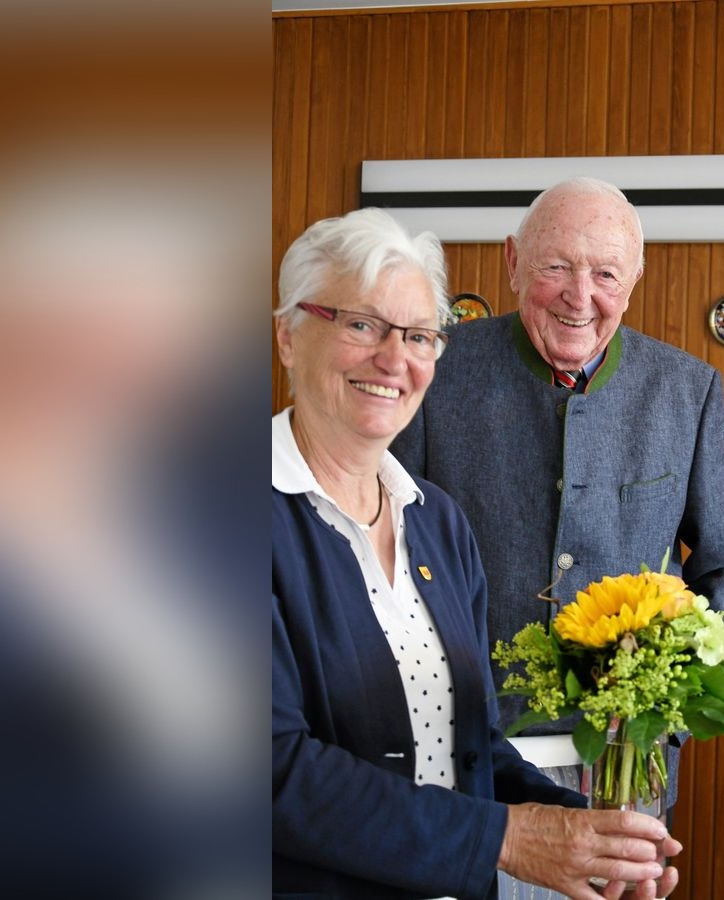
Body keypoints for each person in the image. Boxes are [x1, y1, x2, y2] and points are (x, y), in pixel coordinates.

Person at [271, 207, 682, 900]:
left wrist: (591, 838)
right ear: (288, 335)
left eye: (419, 335)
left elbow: (472, 745)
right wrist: (508, 840)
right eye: (361, 325)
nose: (394, 359)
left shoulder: (436, 521)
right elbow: (274, 773)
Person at [390, 178, 724, 859]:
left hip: (627, 768)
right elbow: (382, 545)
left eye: (605, 274)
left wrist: (669, 704)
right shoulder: (434, 371)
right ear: (513, 261)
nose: (580, 295)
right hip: (463, 754)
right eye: (556, 266)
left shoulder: (687, 389)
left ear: (634, 280)